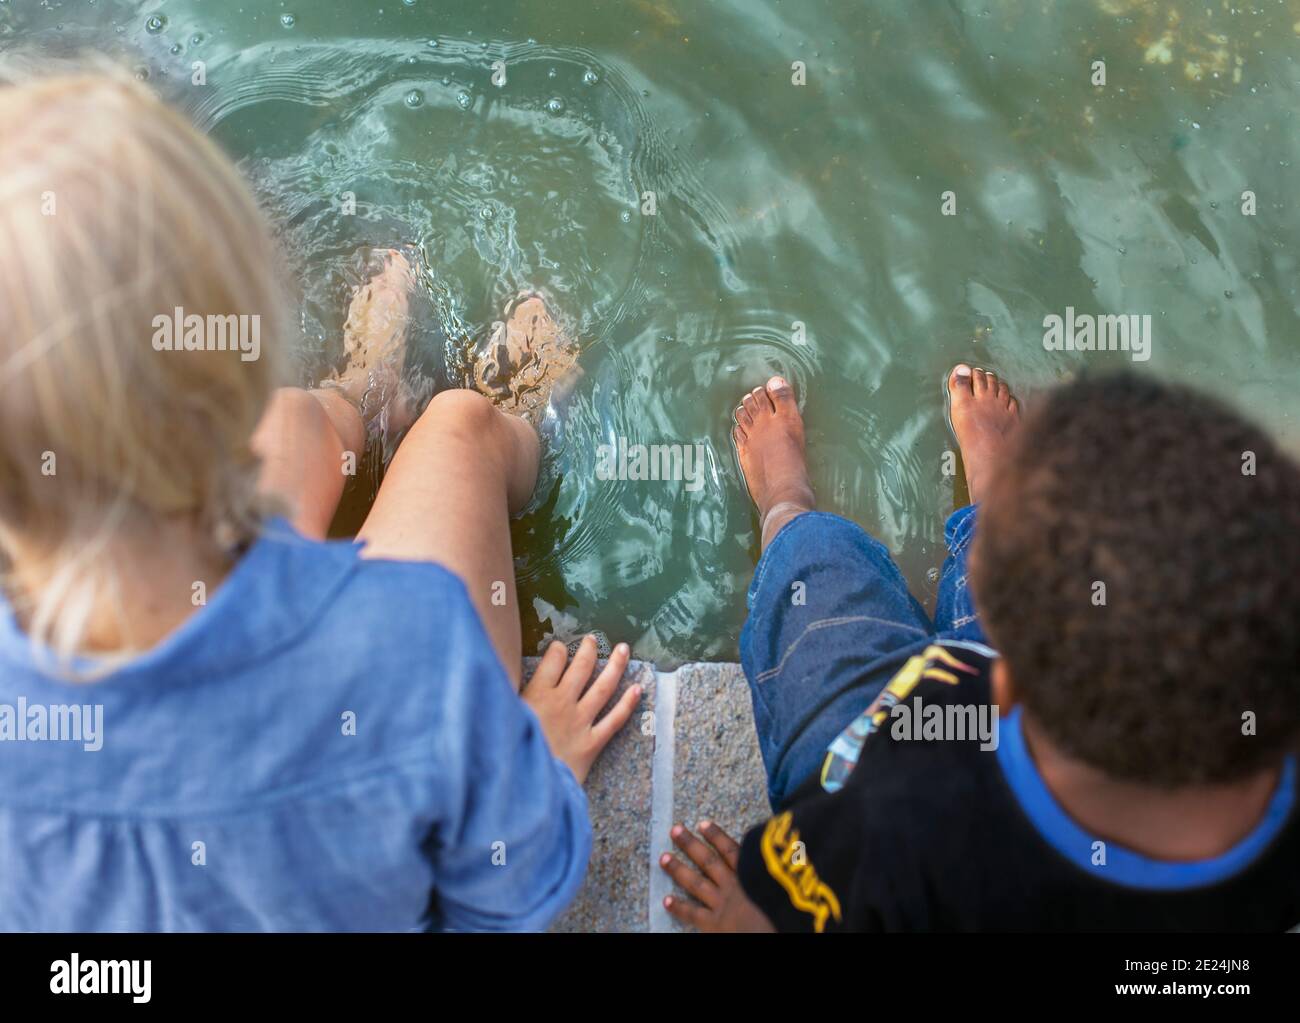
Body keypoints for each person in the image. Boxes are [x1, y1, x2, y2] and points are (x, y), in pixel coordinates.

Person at [0, 70, 639, 931]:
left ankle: (362, 390)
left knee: (296, 428)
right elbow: (504, 891)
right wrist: (538, 765)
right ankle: (503, 413)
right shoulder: (412, 644)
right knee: (456, 430)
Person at [659, 368, 1300, 931]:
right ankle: (993, 499)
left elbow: (816, 901)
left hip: (879, 739)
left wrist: (752, 916)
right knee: (991, 568)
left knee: (814, 569)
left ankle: (787, 503)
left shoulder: (902, 822)